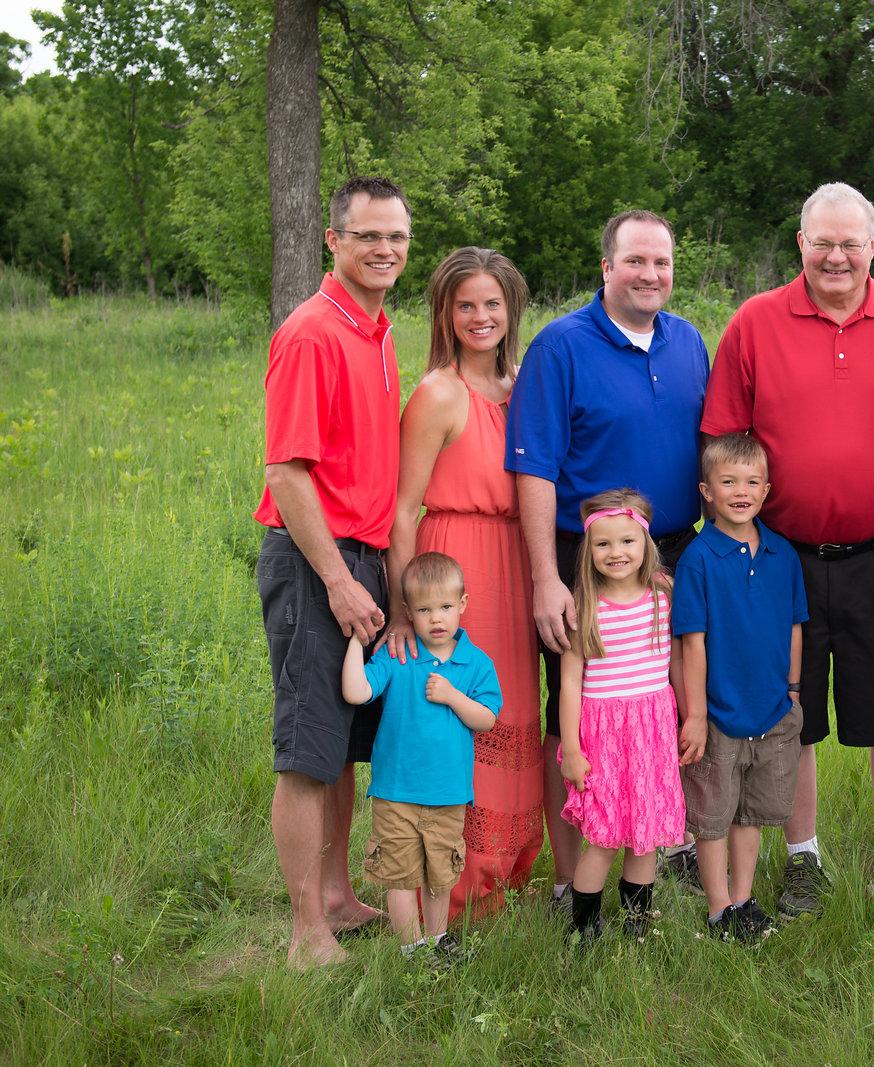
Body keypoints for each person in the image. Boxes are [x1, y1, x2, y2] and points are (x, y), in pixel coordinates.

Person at [701, 182, 874, 916]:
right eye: (821, 242)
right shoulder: (755, 321)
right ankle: (801, 858)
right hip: (779, 556)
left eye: (850, 243)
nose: (835, 256)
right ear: (800, 242)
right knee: (788, 713)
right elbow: (723, 438)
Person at [505, 210, 710, 912]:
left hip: (675, 548)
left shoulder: (687, 342)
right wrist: (546, 578)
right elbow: (533, 469)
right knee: (580, 715)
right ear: (606, 267)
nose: (651, 275)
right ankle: (573, 875)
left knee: (673, 695)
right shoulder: (561, 346)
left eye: (662, 262)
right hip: (585, 557)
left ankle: (659, 839)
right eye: (636, 262)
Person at [254, 175, 411, 967]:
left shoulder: (377, 329)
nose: (385, 250)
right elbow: (288, 474)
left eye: (397, 238)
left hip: (363, 561)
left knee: (346, 742)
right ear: (334, 240)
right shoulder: (314, 332)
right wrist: (341, 582)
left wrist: (374, 571)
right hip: (319, 562)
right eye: (369, 236)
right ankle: (305, 932)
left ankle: (341, 899)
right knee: (307, 749)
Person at [384, 247, 541, 923]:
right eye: (466, 304)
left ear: (512, 309)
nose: (481, 317)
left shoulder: (524, 385)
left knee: (507, 711)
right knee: (451, 720)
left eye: (492, 304)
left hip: (515, 562)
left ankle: (506, 872)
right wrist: (400, 611)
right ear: (446, 313)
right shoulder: (439, 392)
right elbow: (401, 510)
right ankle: (449, 884)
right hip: (454, 563)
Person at [673, 433, 809, 940]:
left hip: (771, 707)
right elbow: (693, 642)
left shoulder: (783, 554)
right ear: (706, 490)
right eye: (728, 481)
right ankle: (717, 910)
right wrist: (695, 715)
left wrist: (792, 691)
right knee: (712, 814)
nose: (741, 491)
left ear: (767, 489)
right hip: (718, 714)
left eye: (752, 482)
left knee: (751, 811)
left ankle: (743, 898)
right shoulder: (698, 559)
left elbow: (795, 625)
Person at [341, 553, 501, 965]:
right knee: (399, 873)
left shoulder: (475, 663)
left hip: (448, 793)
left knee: (439, 873)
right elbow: (357, 693)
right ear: (408, 612)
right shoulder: (399, 656)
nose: (436, 619)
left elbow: (486, 718)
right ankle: (411, 950)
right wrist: (357, 645)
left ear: (463, 604)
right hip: (396, 790)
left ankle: (437, 940)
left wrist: (451, 695)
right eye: (425, 609)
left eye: (446, 607)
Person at [558, 490, 701, 942]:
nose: (616, 553)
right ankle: (584, 929)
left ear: (645, 544)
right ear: (588, 550)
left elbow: (676, 662)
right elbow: (568, 685)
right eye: (603, 544)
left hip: (653, 729)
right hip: (602, 736)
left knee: (647, 833)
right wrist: (572, 751)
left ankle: (638, 924)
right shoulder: (584, 606)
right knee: (603, 838)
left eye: (626, 542)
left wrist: (688, 716)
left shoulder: (664, 595)